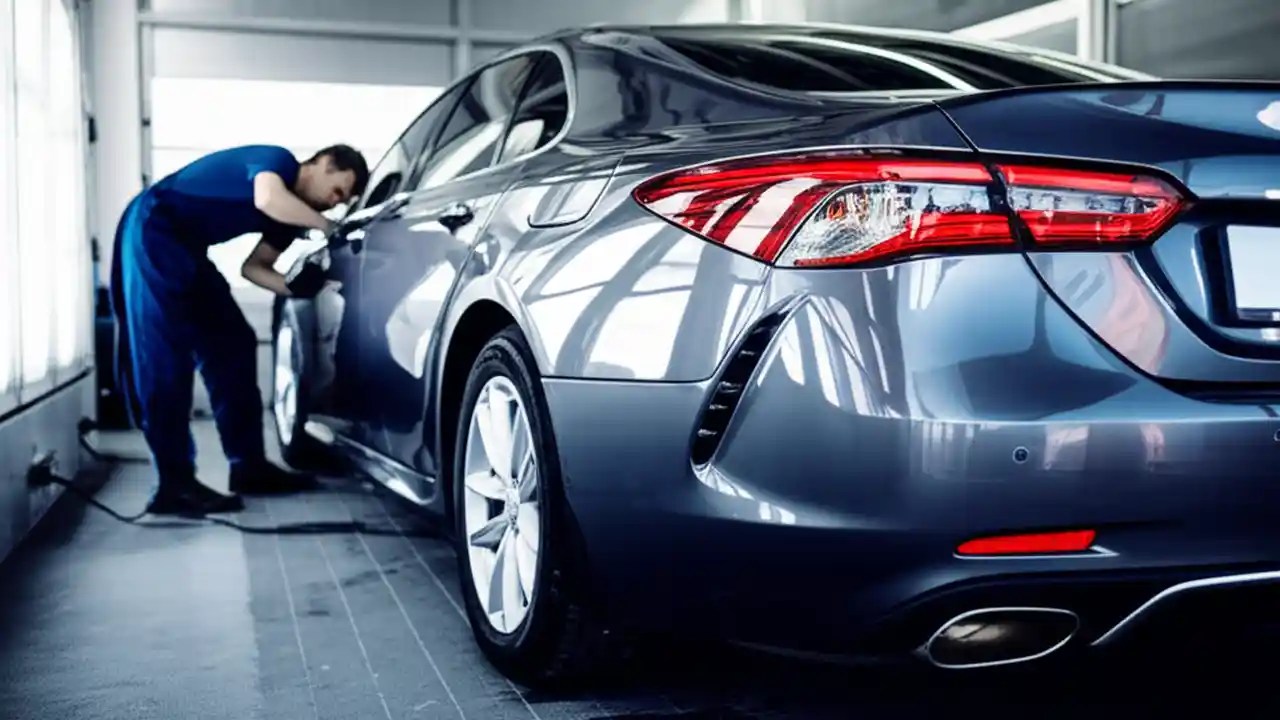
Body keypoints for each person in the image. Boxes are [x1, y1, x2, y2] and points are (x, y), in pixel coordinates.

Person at [109, 144, 369, 516]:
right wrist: (329, 228)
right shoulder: (278, 162)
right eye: (337, 191)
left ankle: (249, 467)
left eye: (341, 202)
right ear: (323, 163)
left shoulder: (290, 219)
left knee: (234, 343)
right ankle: (173, 485)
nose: (333, 203)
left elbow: (254, 269)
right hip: (153, 226)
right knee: (165, 357)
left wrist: (300, 288)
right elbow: (267, 198)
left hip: (188, 247)